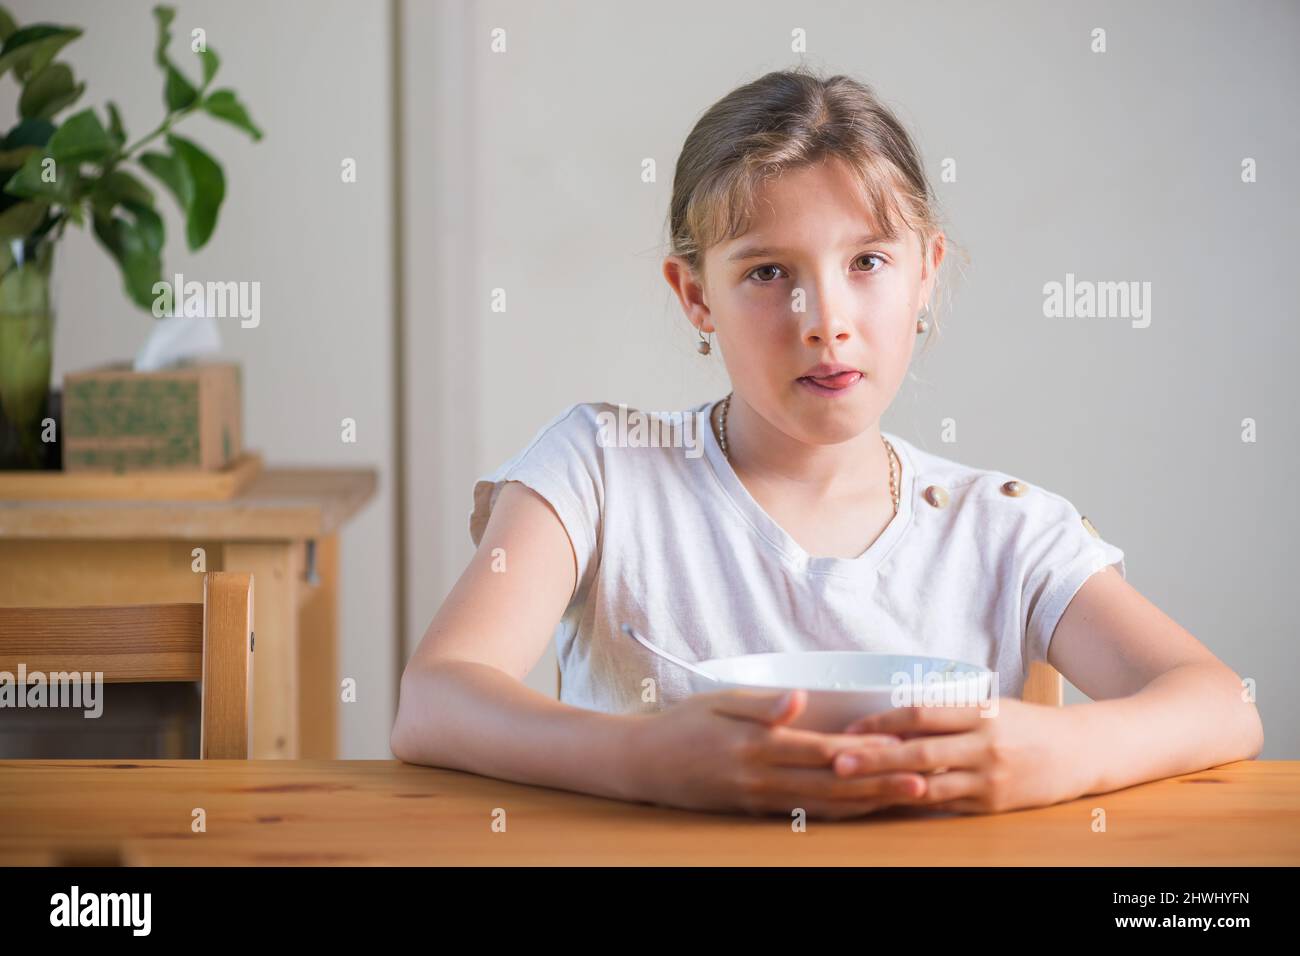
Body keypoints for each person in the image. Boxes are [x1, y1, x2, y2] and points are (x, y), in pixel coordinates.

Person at [391, 68, 1263, 820]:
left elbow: (1221, 703)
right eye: (768, 274)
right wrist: (641, 758)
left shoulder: (1002, 529)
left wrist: (1060, 752)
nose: (826, 323)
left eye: (868, 263)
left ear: (926, 270)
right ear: (695, 297)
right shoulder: (600, 468)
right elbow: (434, 701)